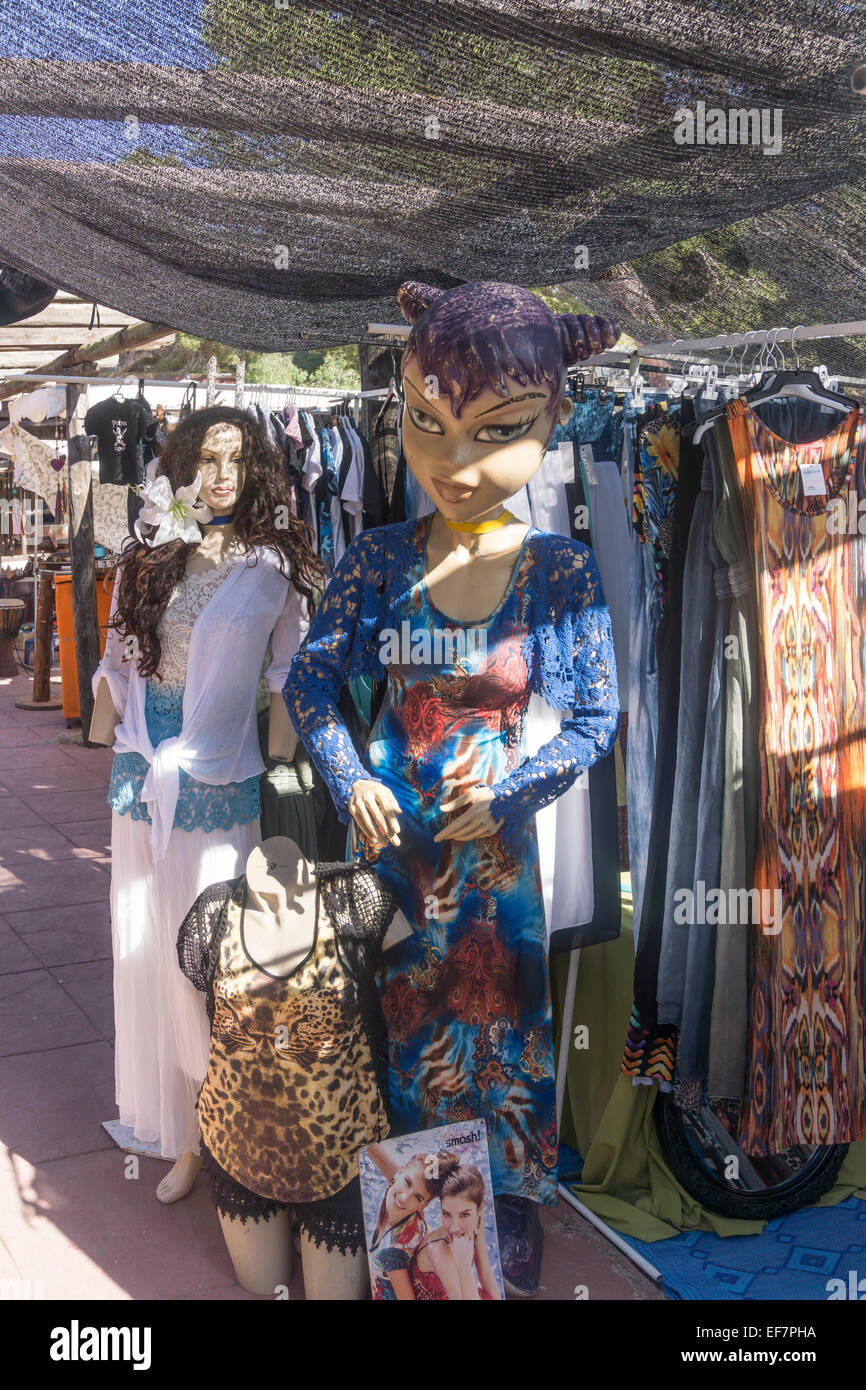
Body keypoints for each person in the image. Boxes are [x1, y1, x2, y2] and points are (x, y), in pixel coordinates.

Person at [286, 280, 620, 1294]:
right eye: (426, 425)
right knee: (403, 1027)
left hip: (494, 858)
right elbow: (308, 679)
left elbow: (598, 717)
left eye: (493, 431)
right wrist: (348, 779)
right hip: (396, 851)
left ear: (553, 419)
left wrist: (515, 791)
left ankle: (505, 1211)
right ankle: (414, 1228)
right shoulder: (378, 557)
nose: (453, 463)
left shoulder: (557, 569)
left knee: (505, 1036)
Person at [90, 406, 322, 1203]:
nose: (220, 476)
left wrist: (286, 768)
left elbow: (292, 674)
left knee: (214, 965)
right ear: (181, 467)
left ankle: (222, 1124)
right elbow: (119, 656)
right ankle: (179, 1125)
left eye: (235, 461)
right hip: (140, 777)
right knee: (146, 951)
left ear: (256, 471)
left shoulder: (273, 567)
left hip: (219, 785)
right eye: (205, 460)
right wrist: (107, 726)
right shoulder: (147, 552)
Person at [366, 1142, 461, 1300]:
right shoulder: (411, 1206)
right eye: (407, 1182)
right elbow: (371, 1145)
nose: (403, 1198)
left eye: (417, 1197)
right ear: (399, 1172)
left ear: (423, 1204)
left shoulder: (391, 1253)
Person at [410, 1162, 501, 1300]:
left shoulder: (477, 1220)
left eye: (464, 1215)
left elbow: (485, 1272)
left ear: (480, 1208)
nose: (453, 1228)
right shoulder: (440, 1250)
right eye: (446, 1214)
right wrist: (463, 1266)